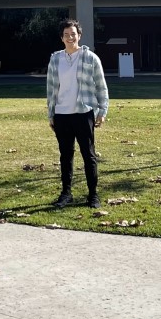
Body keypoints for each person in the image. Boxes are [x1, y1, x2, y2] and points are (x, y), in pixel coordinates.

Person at [45, 18, 108, 207]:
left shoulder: (90, 58)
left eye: (73, 34)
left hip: (84, 113)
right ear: (62, 38)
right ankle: (66, 194)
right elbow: (51, 89)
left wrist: (102, 110)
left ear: (79, 36)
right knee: (65, 156)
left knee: (88, 155)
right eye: (66, 35)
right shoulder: (56, 59)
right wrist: (51, 113)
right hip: (62, 114)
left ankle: (93, 195)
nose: (70, 37)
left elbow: (101, 86)